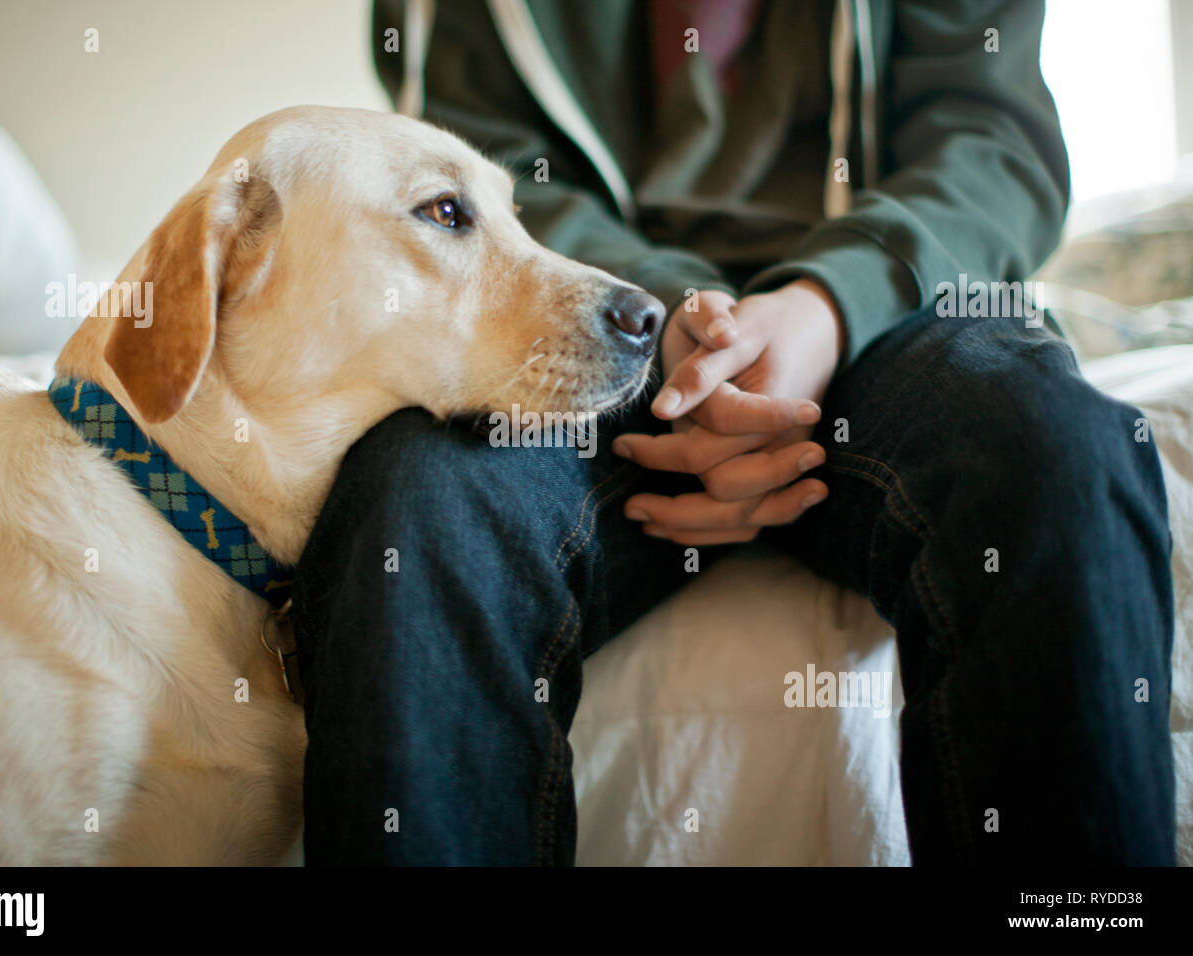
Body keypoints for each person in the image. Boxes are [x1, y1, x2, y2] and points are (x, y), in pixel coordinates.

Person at [289, 0, 1176, 864]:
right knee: (417, 495)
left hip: (889, 312)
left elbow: (994, 145)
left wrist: (830, 302)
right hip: (599, 315)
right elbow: (488, 170)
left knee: (1054, 449)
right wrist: (674, 315)